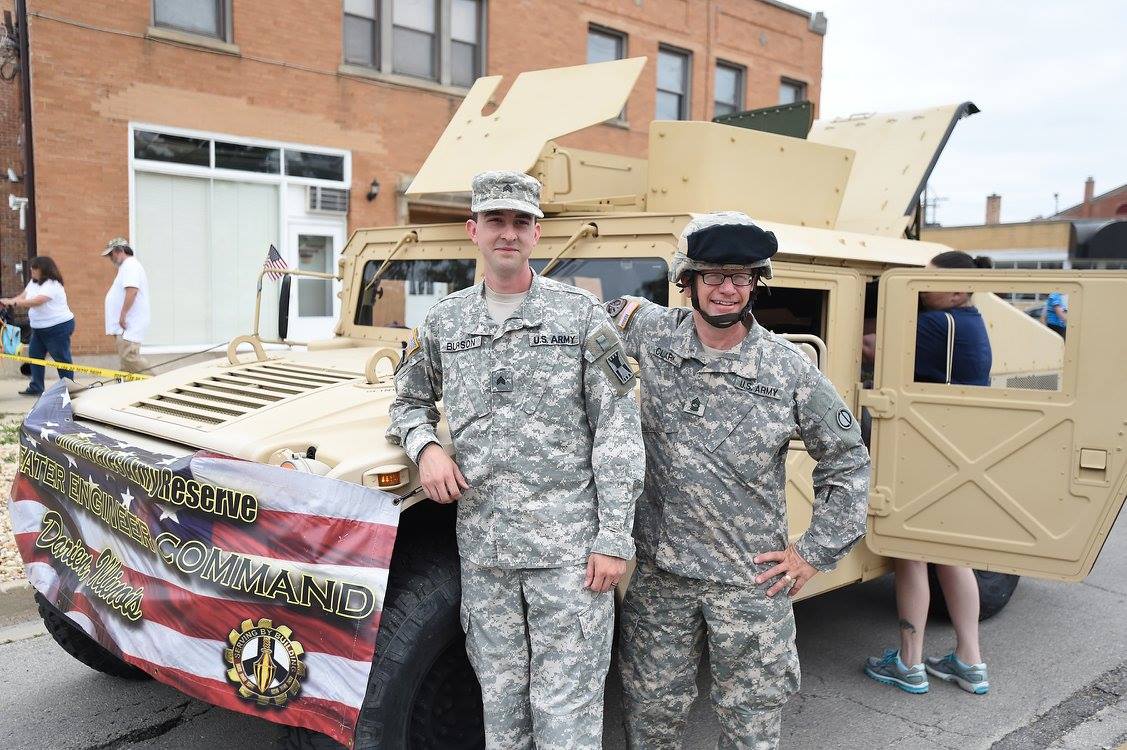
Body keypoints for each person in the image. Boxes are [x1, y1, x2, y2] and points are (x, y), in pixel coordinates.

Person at [386, 171, 644, 749]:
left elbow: (619, 430)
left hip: (569, 556)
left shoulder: (580, 318)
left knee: (567, 715)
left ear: (537, 233)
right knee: (500, 711)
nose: (508, 234)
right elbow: (407, 400)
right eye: (496, 221)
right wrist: (426, 448)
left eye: (520, 222)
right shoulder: (446, 322)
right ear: (473, 230)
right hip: (486, 554)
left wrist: (613, 538)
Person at [608, 212, 871, 749]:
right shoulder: (652, 331)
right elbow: (562, 328)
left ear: (756, 284)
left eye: (741, 277)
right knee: (650, 719)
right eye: (713, 276)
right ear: (689, 281)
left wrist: (813, 553)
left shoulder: (788, 369)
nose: (727, 289)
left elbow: (847, 461)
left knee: (750, 726)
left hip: (750, 583)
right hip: (661, 578)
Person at [864, 249, 993, 695]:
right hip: (955, 453)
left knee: (911, 554)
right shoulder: (968, 321)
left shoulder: (942, 325)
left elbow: (867, 345)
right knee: (952, 555)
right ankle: (970, 661)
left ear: (957, 289)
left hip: (925, 453)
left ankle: (909, 662)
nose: (919, 290)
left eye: (926, 283)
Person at [0, 256, 76, 396]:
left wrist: (14, 303)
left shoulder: (53, 284)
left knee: (61, 357)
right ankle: (36, 387)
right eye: (31, 268)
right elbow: (23, 296)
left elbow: (37, 301)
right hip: (39, 328)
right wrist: (8, 301)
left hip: (57, 327)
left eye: (35, 268)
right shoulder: (34, 283)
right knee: (35, 355)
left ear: (44, 270)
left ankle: (68, 389)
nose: (31, 271)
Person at [102, 237, 150, 373]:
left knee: (130, 358)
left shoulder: (130, 265)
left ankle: (158, 384)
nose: (110, 259)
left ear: (119, 251)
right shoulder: (127, 267)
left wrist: (123, 314)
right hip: (125, 325)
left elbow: (132, 290)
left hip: (129, 324)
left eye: (111, 254)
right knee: (126, 364)